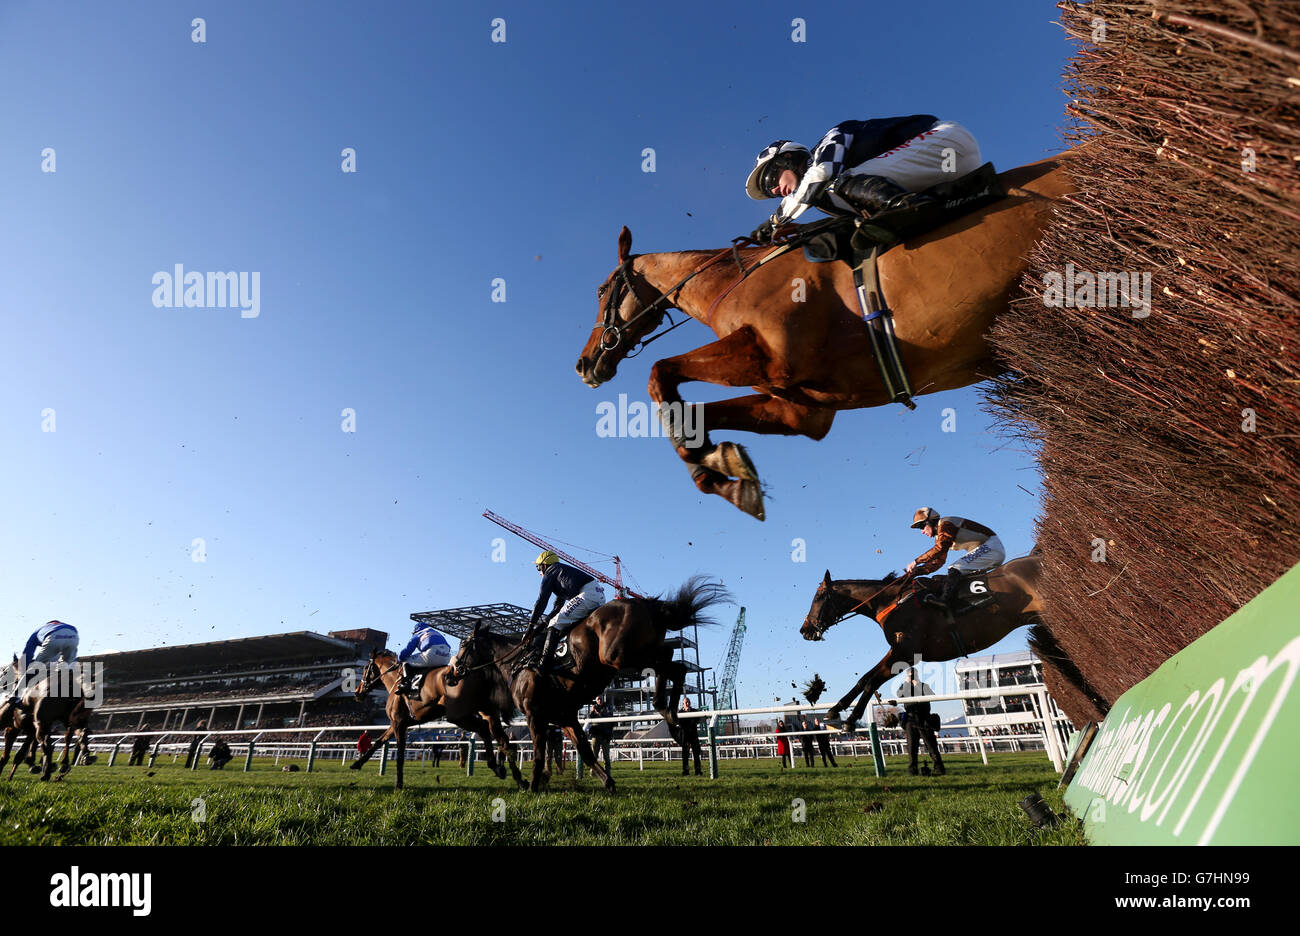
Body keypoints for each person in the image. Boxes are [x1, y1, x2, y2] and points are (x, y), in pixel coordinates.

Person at [745, 116, 983, 243]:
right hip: (942, 172)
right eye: (769, 191)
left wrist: (775, 221)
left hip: (946, 142)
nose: (774, 189)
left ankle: (906, 207)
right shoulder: (823, 199)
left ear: (787, 158)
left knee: (832, 185)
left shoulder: (831, 139)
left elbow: (822, 174)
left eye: (770, 179)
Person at [905, 507, 1006, 612]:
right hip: (986, 550)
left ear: (930, 521)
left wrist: (916, 561)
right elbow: (938, 561)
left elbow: (940, 548)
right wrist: (917, 572)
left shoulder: (946, 524)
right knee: (954, 575)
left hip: (991, 547)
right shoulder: (940, 536)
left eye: (922, 527)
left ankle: (944, 601)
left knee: (955, 567)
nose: (922, 532)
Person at [528, 551, 606, 674]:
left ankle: (544, 665)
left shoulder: (550, 571)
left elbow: (541, 602)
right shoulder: (562, 574)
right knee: (562, 622)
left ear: (544, 565)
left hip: (586, 595)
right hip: (598, 594)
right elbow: (557, 608)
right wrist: (541, 626)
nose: (539, 572)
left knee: (554, 624)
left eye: (538, 567)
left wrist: (530, 626)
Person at [7, 620, 79, 707]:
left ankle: (15, 697)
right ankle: (73, 694)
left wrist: (25, 671)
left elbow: (27, 654)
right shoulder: (65, 626)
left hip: (54, 637)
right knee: (67, 670)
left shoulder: (38, 631)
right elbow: (73, 659)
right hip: (74, 636)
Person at [897, 669, 945, 777]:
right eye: (910, 675)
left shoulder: (924, 685)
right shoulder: (904, 687)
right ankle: (913, 770)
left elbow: (932, 695)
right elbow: (899, 695)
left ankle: (939, 768)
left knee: (931, 745)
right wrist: (906, 682)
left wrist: (917, 684)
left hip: (924, 719)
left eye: (914, 675)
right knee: (911, 747)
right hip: (910, 719)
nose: (912, 676)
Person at [394, 622, 452, 697]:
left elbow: (408, 650)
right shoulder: (436, 632)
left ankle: (406, 684)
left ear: (416, 630)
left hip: (432, 654)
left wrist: (399, 658)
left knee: (405, 661)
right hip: (447, 658)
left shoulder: (418, 634)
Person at [587, 694, 614, 775]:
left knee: (606, 756)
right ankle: (593, 772)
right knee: (594, 755)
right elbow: (589, 718)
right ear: (596, 700)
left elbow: (610, 717)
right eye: (598, 699)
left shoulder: (608, 707)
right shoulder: (594, 708)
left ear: (603, 699)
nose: (599, 700)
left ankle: (607, 772)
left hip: (605, 735)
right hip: (596, 735)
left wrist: (599, 714)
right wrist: (592, 711)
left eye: (600, 699)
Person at [679, 697, 704, 776]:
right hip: (685, 736)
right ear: (683, 704)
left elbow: (697, 721)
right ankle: (686, 771)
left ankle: (698, 771)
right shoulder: (680, 713)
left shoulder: (694, 711)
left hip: (693, 735)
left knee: (696, 754)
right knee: (685, 755)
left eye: (688, 702)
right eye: (686, 702)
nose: (687, 704)